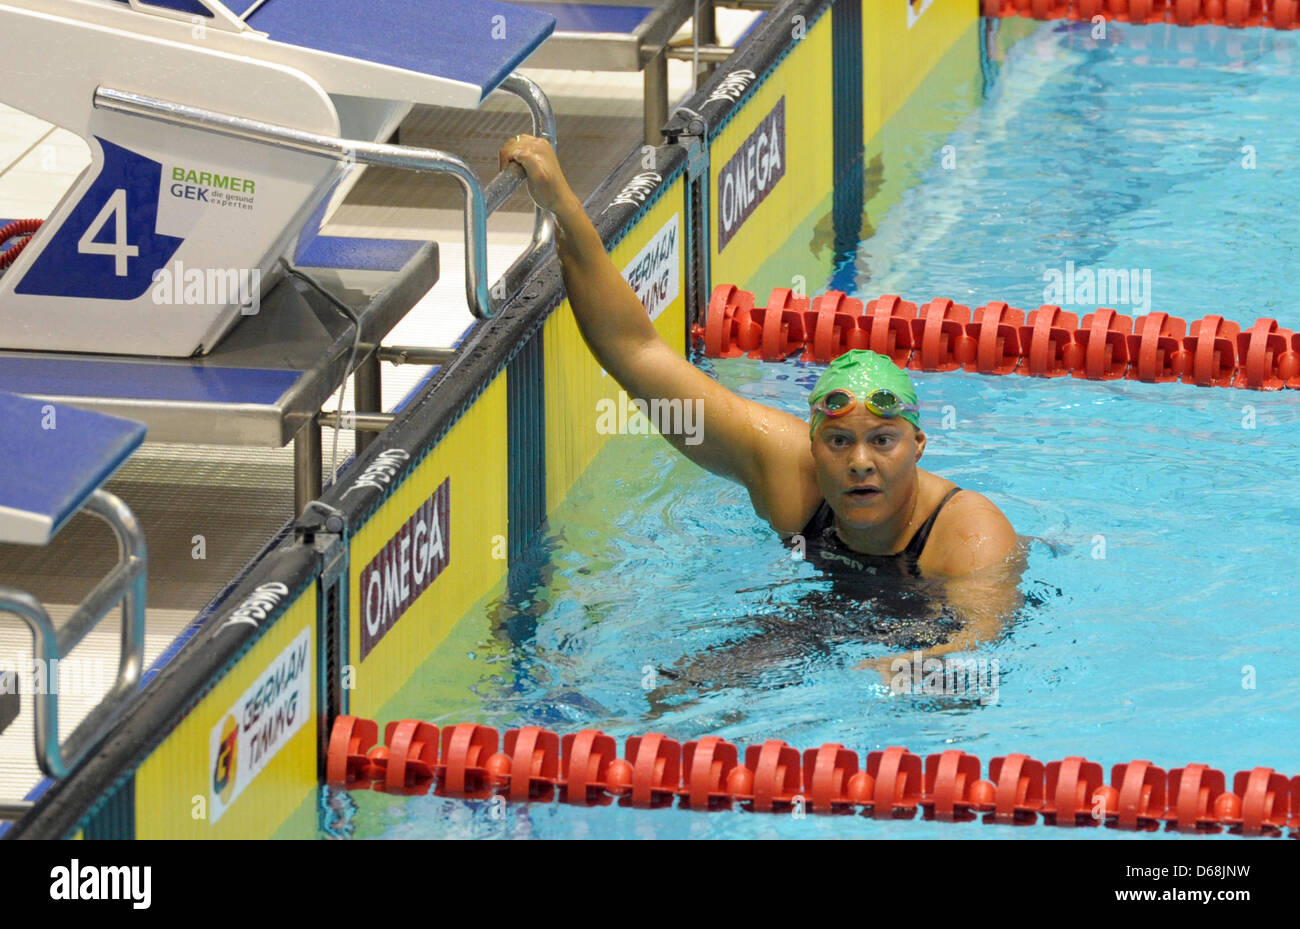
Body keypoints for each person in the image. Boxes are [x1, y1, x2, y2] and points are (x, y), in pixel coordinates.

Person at [500, 134, 1025, 669]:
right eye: (839, 441)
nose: (860, 462)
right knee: (680, 689)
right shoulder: (784, 470)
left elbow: (980, 654)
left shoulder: (968, 536)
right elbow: (635, 351)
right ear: (813, 448)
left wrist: (904, 672)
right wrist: (562, 202)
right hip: (826, 614)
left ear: (918, 446)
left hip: (927, 623)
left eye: (882, 441)